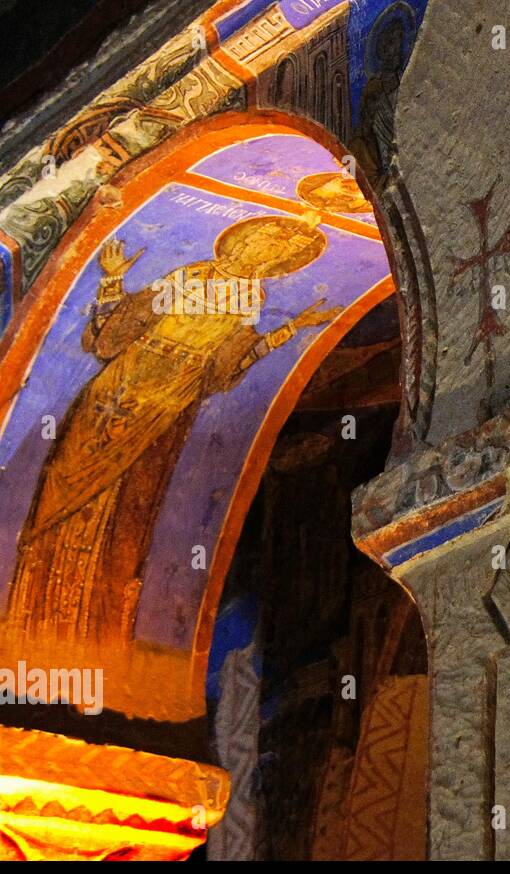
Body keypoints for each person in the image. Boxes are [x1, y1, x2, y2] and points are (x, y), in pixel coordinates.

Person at [4, 215, 339, 647]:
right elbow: (111, 339)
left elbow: (222, 373)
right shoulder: (191, 273)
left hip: (171, 410)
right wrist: (113, 281)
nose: (263, 251)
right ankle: (28, 618)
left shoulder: (250, 298)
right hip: (120, 390)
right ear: (239, 243)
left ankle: (95, 632)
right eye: (261, 241)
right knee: (62, 490)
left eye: (274, 251)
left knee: (133, 512)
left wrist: (291, 329)